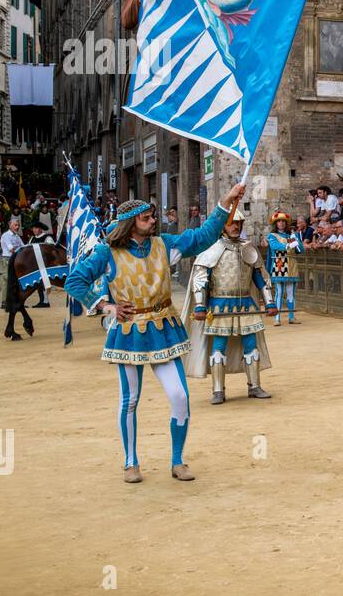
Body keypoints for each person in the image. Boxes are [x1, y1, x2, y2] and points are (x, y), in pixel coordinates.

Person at [65, 183, 245, 484]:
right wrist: (106, 306)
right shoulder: (106, 253)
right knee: (130, 400)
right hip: (129, 332)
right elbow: (75, 281)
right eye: (147, 217)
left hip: (164, 328)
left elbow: (201, 237)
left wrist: (226, 202)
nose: (153, 220)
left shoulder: (165, 245)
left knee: (179, 396)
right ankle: (130, 462)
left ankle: (177, 460)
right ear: (131, 223)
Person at [185, 209, 278, 404]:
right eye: (231, 223)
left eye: (239, 223)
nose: (236, 226)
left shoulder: (248, 248)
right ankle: (218, 390)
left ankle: (254, 386)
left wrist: (269, 301)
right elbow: (201, 279)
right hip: (220, 305)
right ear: (222, 226)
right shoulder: (212, 249)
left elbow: (260, 276)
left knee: (251, 346)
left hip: (246, 304)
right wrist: (200, 305)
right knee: (218, 348)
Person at [265, 211, 304, 325]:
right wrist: (287, 245)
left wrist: (295, 238)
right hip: (279, 264)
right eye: (279, 221)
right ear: (275, 224)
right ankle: (277, 318)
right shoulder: (272, 236)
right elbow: (275, 246)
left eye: (283, 221)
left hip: (291, 264)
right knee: (279, 292)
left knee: (291, 292)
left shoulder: (290, 236)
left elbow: (299, 250)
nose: (281, 223)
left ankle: (291, 316)